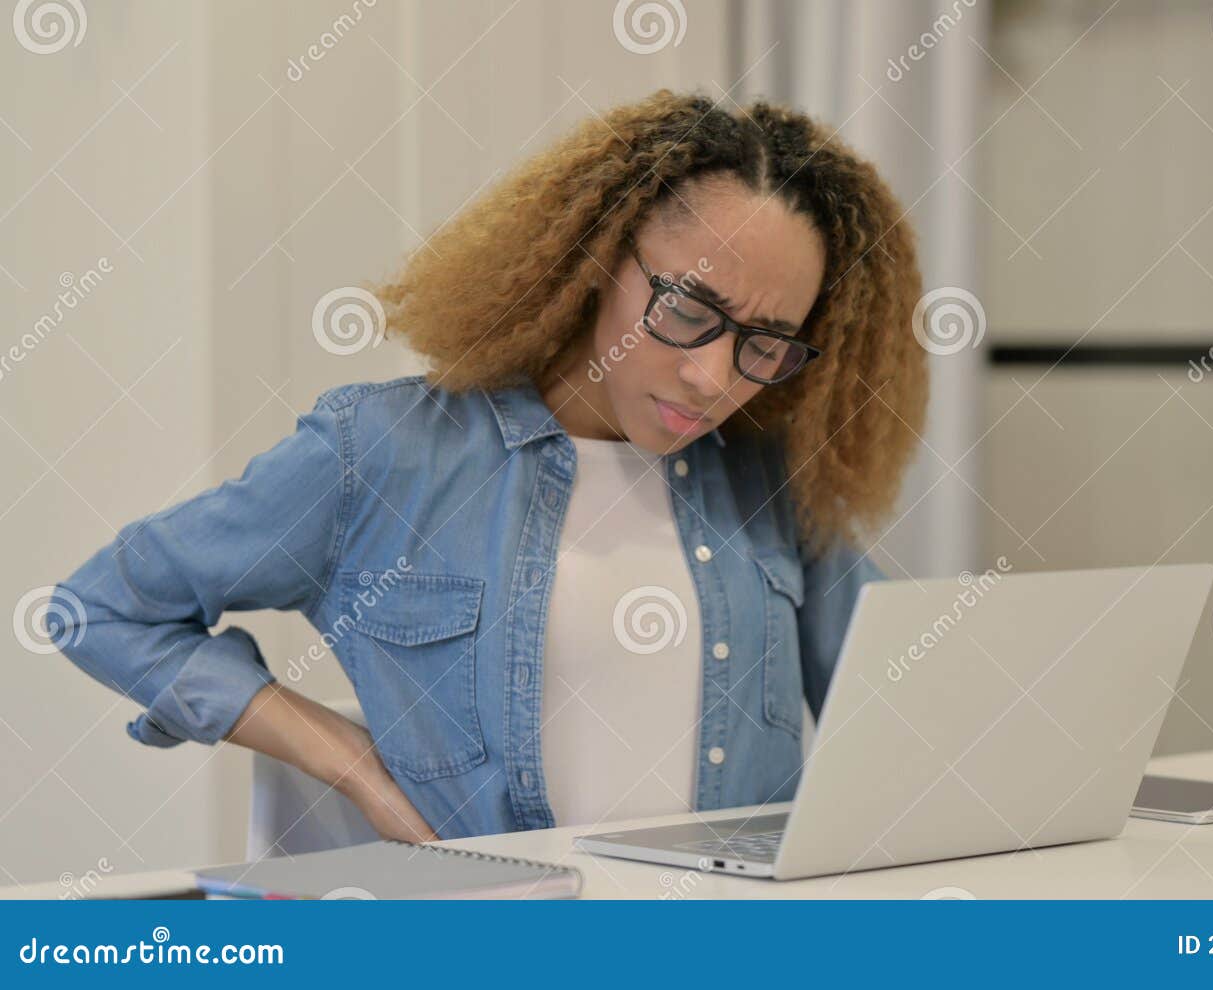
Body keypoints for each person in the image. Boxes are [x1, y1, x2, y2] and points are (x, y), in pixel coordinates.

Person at [49, 89, 928, 843]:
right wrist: (347, 760)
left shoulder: (766, 479)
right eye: (689, 307)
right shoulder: (389, 453)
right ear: (599, 255)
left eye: (766, 344)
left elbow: (912, 713)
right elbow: (101, 609)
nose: (713, 376)